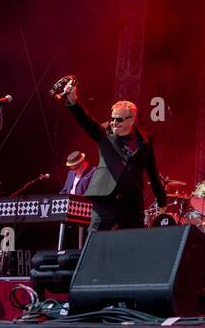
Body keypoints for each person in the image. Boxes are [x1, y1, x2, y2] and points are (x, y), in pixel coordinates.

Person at [59, 82, 167, 230]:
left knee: (131, 245)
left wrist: (162, 201)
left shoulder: (145, 140)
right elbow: (86, 121)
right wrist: (73, 100)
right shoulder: (104, 132)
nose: (114, 122)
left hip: (131, 202)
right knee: (96, 242)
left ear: (132, 119)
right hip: (105, 200)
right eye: (113, 118)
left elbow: (153, 172)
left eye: (119, 119)